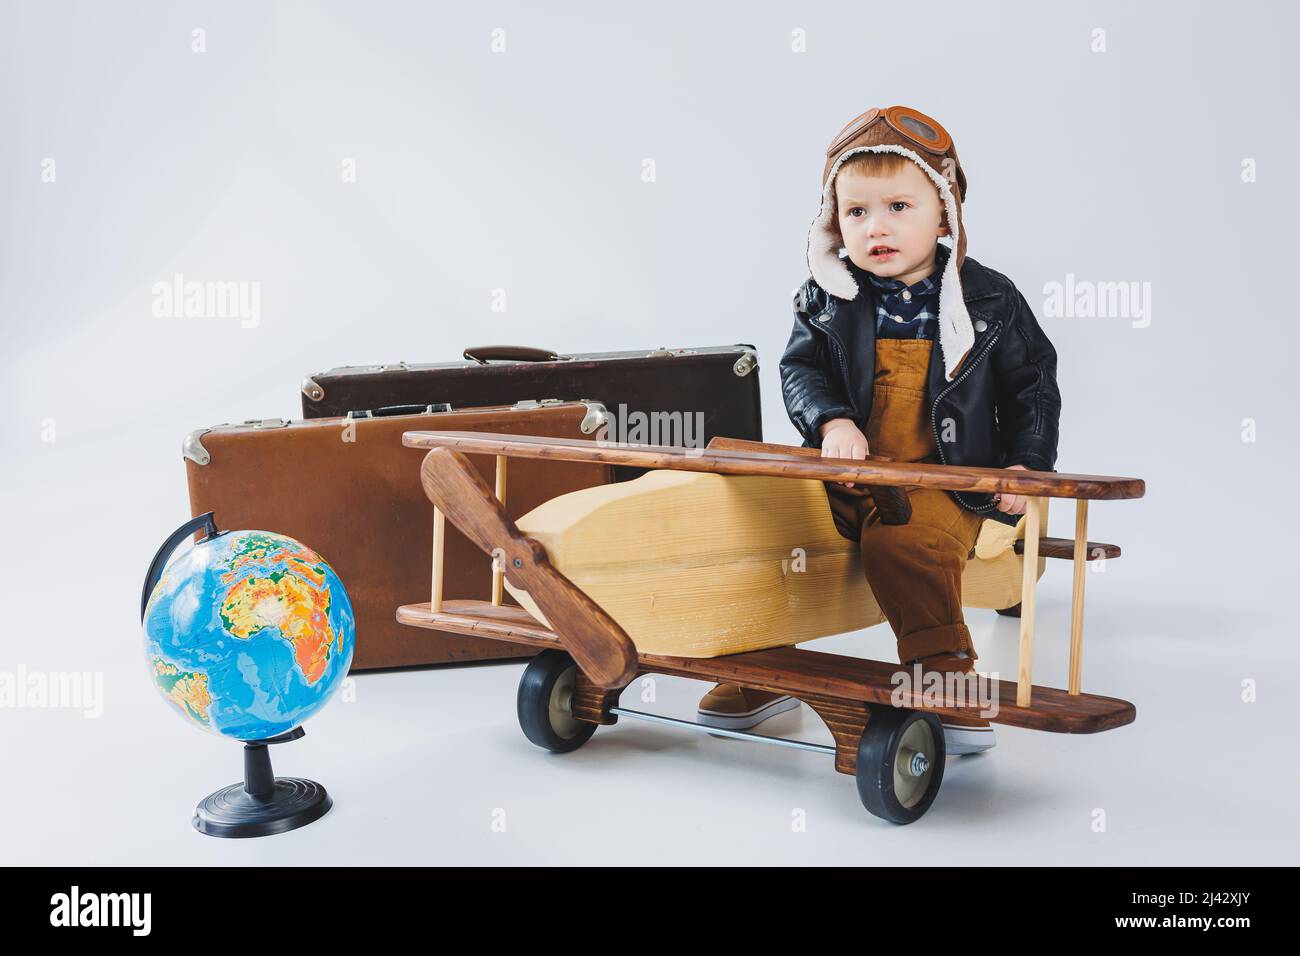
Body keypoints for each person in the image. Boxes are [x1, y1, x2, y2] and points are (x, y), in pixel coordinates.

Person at [697, 106, 1061, 755]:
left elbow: (1032, 384)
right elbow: (800, 368)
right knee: (757, 513)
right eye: (857, 212)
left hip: (945, 482)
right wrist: (831, 420)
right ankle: (760, 656)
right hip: (848, 472)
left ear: (945, 213)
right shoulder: (827, 295)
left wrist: (1025, 465)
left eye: (898, 206)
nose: (877, 227)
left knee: (904, 537)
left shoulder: (988, 298)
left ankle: (944, 669)